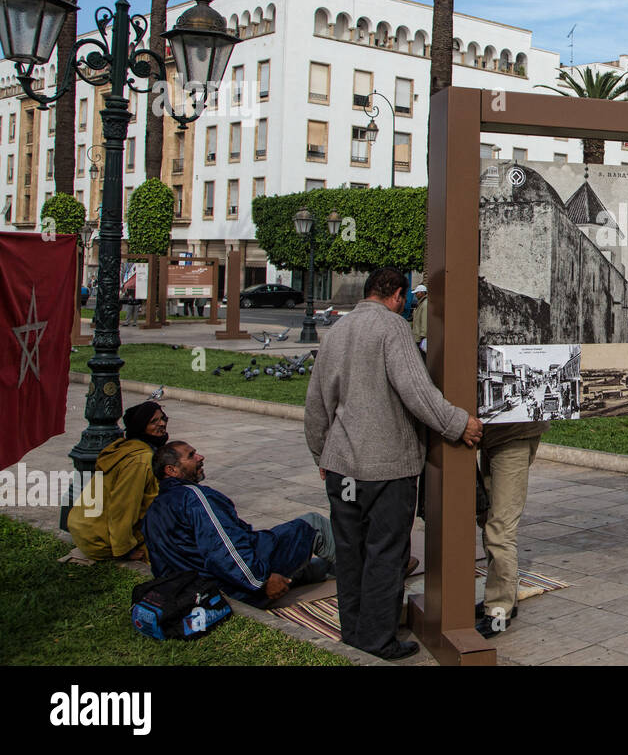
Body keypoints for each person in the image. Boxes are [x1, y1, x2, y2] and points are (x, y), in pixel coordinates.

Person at [305, 266, 482, 661]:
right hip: (386, 468)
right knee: (387, 555)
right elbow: (417, 392)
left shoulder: (336, 332)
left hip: (342, 467)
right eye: (407, 300)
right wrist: (458, 424)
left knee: (350, 555)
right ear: (398, 295)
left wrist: (321, 454)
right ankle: (378, 639)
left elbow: (316, 404)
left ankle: (353, 629)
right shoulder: (393, 328)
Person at [142, 442, 335, 608]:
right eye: (191, 456)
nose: (200, 457)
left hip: (200, 587)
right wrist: (261, 582)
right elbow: (224, 549)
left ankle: (339, 568)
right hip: (232, 588)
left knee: (317, 567)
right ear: (171, 470)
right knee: (313, 524)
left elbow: (162, 568)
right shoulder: (193, 497)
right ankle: (363, 576)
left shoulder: (154, 510)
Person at [67, 401, 168, 561]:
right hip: (98, 540)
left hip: (86, 530)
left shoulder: (128, 446)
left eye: (162, 419)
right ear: (141, 427)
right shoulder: (140, 460)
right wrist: (125, 550)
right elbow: (123, 506)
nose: (162, 424)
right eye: (153, 421)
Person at [475, 420, 546, 638]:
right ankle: (503, 596)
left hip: (512, 433)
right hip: (493, 434)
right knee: (490, 519)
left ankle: (499, 610)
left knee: (500, 527)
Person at [410, 283, 428, 352]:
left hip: (420, 338)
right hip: (418, 336)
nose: (415, 295)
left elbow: (424, 321)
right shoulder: (421, 303)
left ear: (422, 293)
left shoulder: (425, 304)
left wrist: (423, 336)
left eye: (417, 293)